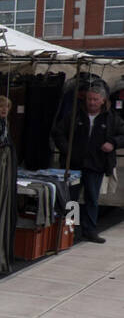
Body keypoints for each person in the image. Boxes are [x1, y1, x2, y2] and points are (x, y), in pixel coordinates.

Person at [52, 79, 124, 244]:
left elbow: (122, 135)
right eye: (89, 99)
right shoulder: (75, 114)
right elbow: (58, 132)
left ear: (103, 100)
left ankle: (89, 230)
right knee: (72, 198)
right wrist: (66, 149)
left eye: (95, 100)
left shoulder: (111, 117)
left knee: (92, 197)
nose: (91, 103)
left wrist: (113, 143)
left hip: (96, 164)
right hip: (74, 164)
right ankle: (70, 230)